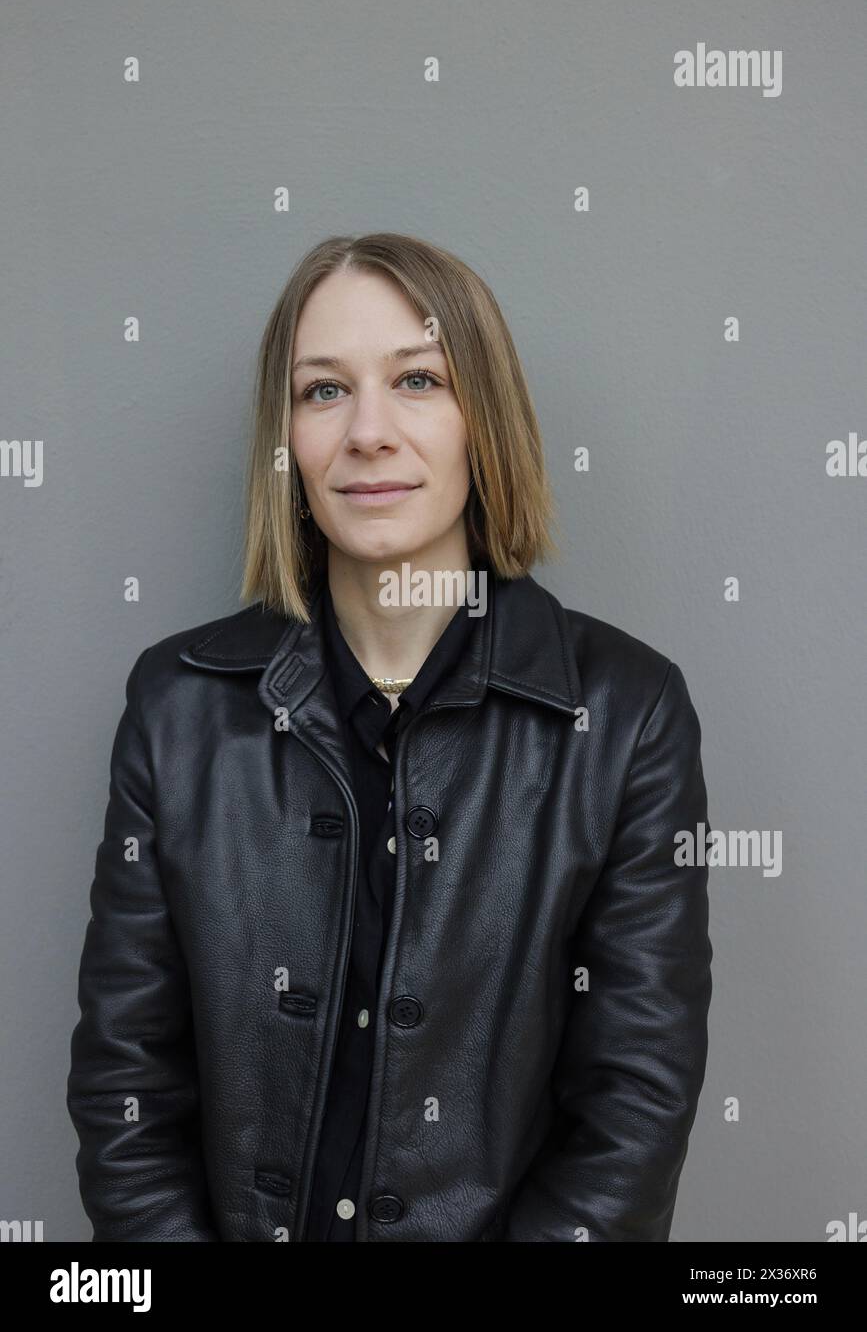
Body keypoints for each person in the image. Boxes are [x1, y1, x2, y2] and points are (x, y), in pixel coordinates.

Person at [67, 231, 712, 1242]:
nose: (367, 431)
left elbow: (631, 1112)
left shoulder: (627, 715)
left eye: (417, 379)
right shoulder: (177, 706)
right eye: (323, 390)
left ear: (480, 420)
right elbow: (127, 1082)